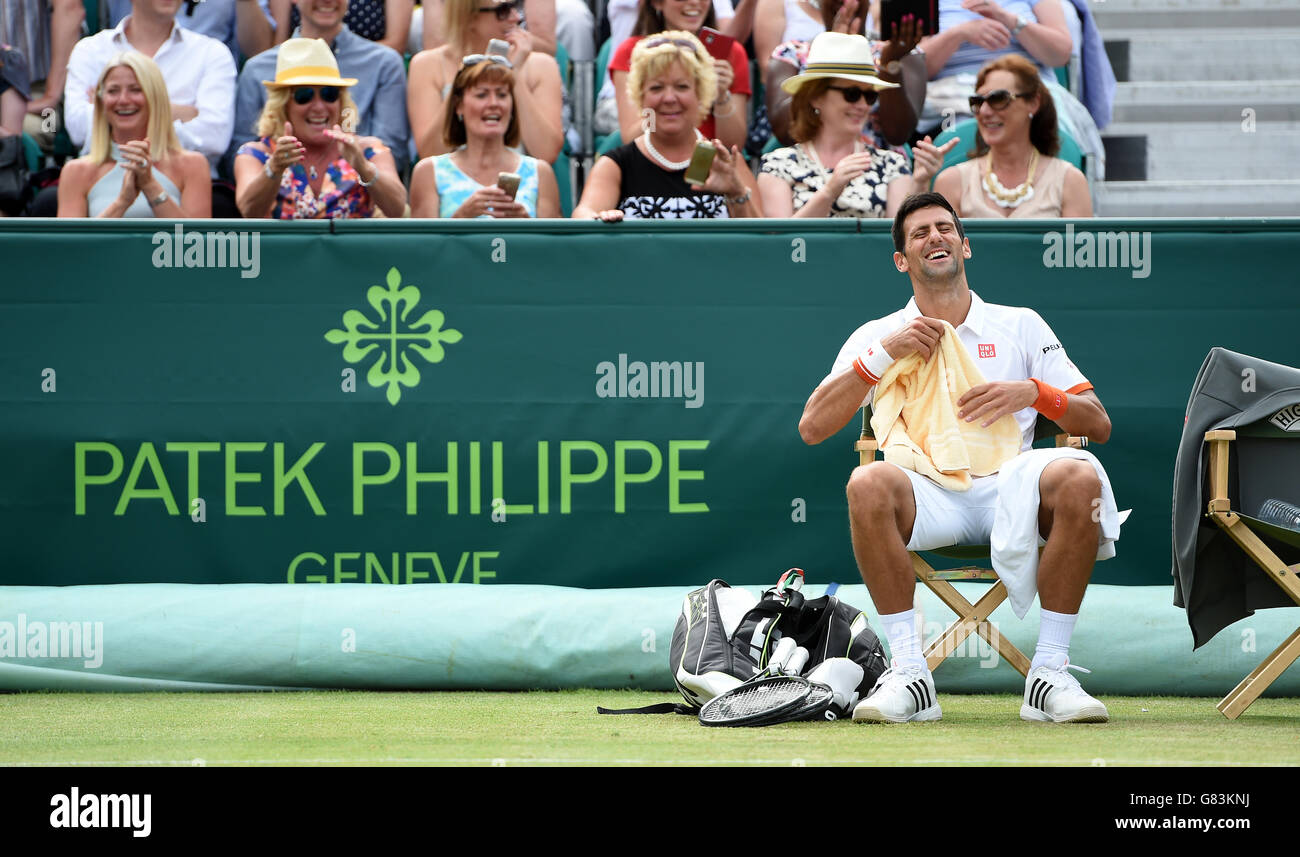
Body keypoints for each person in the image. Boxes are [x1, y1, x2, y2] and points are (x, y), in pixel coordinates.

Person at [798, 192, 1120, 724]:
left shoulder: (1021, 325)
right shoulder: (878, 334)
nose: (935, 238)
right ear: (902, 260)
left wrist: (1034, 393)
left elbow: (1097, 421)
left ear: (965, 246)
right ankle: (908, 673)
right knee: (867, 483)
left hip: (1012, 490)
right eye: (920, 233)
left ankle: (1050, 674)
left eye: (945, 228)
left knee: (1079, 475)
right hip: (925, 493)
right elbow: (812, 427)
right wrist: (885, 354)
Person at [572, 32, 760, 220]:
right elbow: (583, 216)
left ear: (701, 95)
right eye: (656, 88)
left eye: (682, 87)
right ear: (641, 97)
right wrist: (599, 219)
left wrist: (736, 194)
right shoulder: (616, 165)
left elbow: (763, 239)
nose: (669, 98)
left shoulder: (724, 162)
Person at [758, 31, 938, 218]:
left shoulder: (892, 164)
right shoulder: (778, 165)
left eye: (870, 96)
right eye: (851, 94)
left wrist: (919, 183)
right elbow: (780, 243)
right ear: (815, 96)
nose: (862, 105)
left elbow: (901, 240)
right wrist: (830, 191)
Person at [231, 0, 410, 175]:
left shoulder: (384, 63)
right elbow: (239, 153)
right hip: (278, 194)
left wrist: (342, 177)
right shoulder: (258, 68)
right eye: (302, 95)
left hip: (360, 193)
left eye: (330, 94)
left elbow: (393, 152)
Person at [233, 37, 406, 218]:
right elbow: (249, 212)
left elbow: (397, 209)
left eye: (328, 94)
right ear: (283, 104)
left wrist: (364, 168)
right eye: (304, 95)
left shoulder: (367, 150)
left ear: (340, 101)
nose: (319, 106)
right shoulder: (256, 155)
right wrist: (274, 169)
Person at [64, 0, 237, 176]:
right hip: (101, 175)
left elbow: (214, 139)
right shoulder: (89, 49)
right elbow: (79, 128)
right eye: (115, 91)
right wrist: (179, 113)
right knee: (48, 200)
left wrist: (117, 111)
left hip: (185, 182)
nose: (128, 100)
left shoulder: (212, 53)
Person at [931, 54, 1090, 217]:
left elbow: (1078, 243)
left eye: (999, 99)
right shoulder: (951, 183)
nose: (985, 111)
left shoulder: (1069, 181)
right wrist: (920, 183)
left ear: (1034, 103)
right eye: (978, 101)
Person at [56, 52, 211, 216]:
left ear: (155, 97)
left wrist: (150, 186)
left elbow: (194, 240)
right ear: (101, 101)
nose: (123, 100)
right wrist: (122, 202)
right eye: (113, 91)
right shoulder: (76, 172)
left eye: (136, 90)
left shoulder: (193, 165)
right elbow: (72, 242)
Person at [407, 0, 563, 163]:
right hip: (451, 184)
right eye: (503, 10)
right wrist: (466, 77)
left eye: (515, 7)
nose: (516, 17)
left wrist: (513, 73)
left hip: (519, 183)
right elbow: (430, 154)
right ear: (470, 16)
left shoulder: (542, 65)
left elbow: (546, 153)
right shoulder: (426, 65)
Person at [410, 54, 560, 217]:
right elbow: (424, 242)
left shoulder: (540, 173)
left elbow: (549, 242)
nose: (494, 103)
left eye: (502, 95)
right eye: (482, 95)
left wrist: (525, 225)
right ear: (459, 105)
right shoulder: (429, 172)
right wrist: (461, 218)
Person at [764, 0, 924, 149]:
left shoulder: (901, 51)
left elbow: (897, 134)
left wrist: (890, 62)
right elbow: (785, 132)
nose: (846, 3)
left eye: (869, 95)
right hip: (809, 167)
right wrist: (831, 51)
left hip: (880, 168)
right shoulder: (791, 53)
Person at [605, 0, 751, 152]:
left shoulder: (730, 54)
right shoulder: (632, 52)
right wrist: (662, 111)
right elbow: (631, 138)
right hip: (651, 161)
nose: (694, 2)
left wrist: (721, 95)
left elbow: (732, 147)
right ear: (657, 3)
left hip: (708, 165)